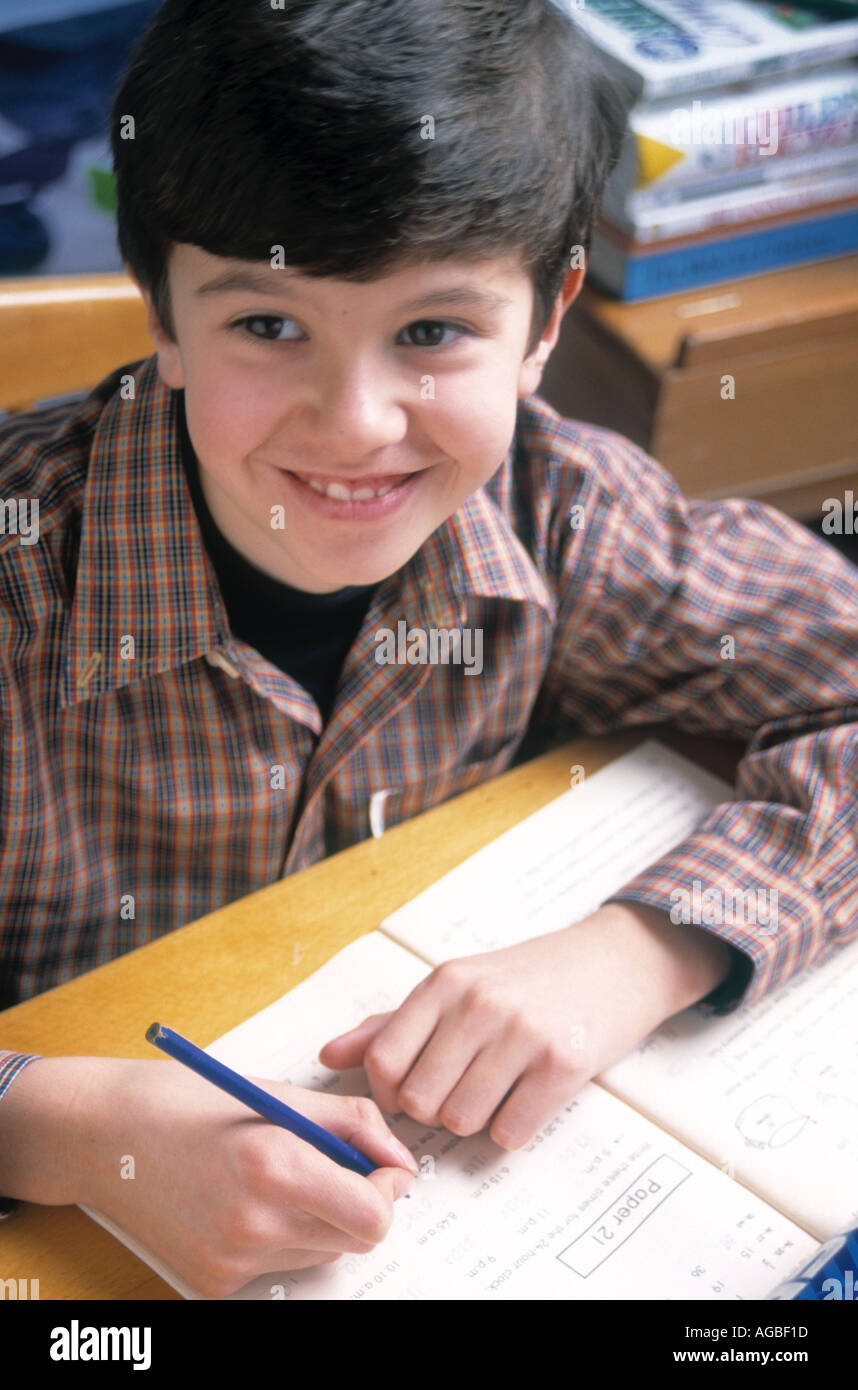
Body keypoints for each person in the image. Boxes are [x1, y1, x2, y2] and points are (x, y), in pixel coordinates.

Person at [1, 0, 856, 1300]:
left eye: (433, 331)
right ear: (164, 316)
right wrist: (61, 1129)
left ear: (546, 317)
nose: (354, 426)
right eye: (267, 326)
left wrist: (644, 946)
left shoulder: (570, 512)